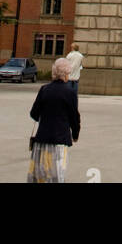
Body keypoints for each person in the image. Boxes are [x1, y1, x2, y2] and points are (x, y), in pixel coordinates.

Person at [27, 56, 80, 184]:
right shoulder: (70, 92)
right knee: (56, 175)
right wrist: (75, 134)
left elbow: (34, 113)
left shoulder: (44, 89)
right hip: (59, 140)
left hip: (42, 139)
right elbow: (74, 116)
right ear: (66, 74)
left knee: (41, 176)